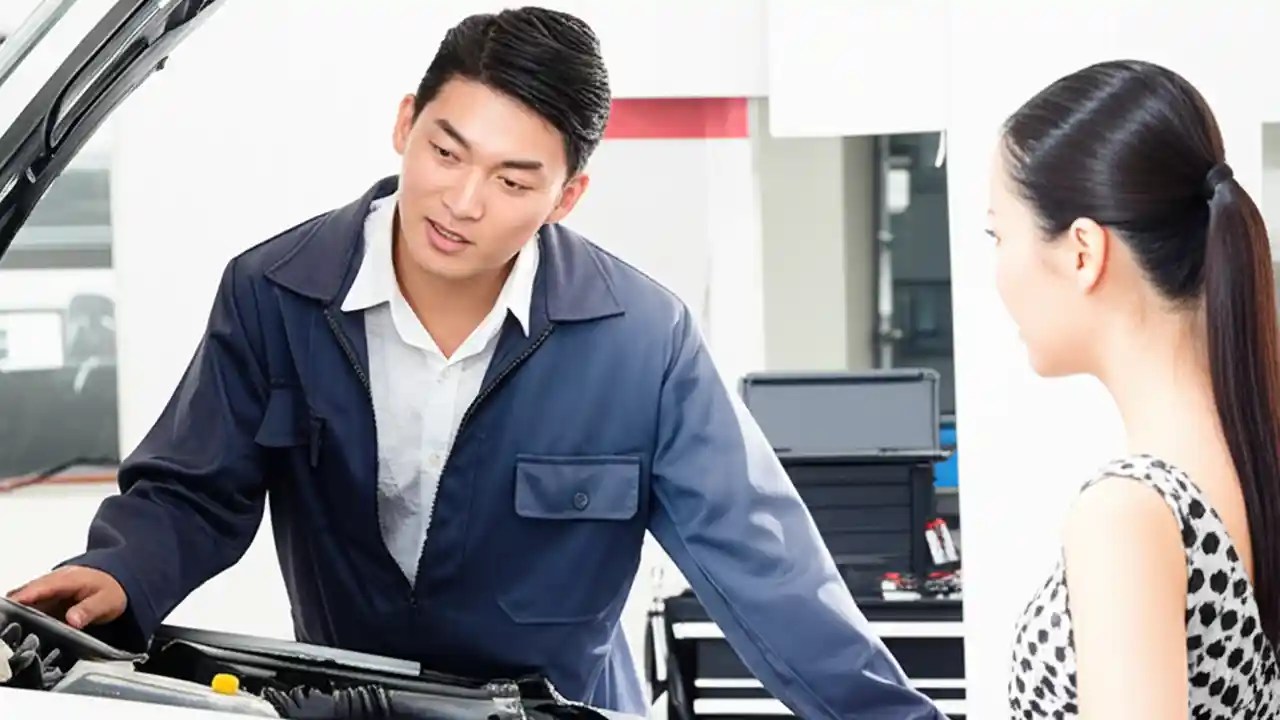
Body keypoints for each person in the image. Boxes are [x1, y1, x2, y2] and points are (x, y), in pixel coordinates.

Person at [6, 7, 944, 719]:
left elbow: (764, 567)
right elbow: (193, 489)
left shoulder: (642, 340)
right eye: (445, 151)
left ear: (567, 194)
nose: (460, 200)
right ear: (406, 123)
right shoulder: (274, 291)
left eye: (512, 179)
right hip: (354, 705)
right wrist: (123, 572)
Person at [989, 59, 1280, 719]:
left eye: (998, 234)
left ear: (1083, 251)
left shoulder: (1129, 513)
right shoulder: (1251, 461)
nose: (998, 272)